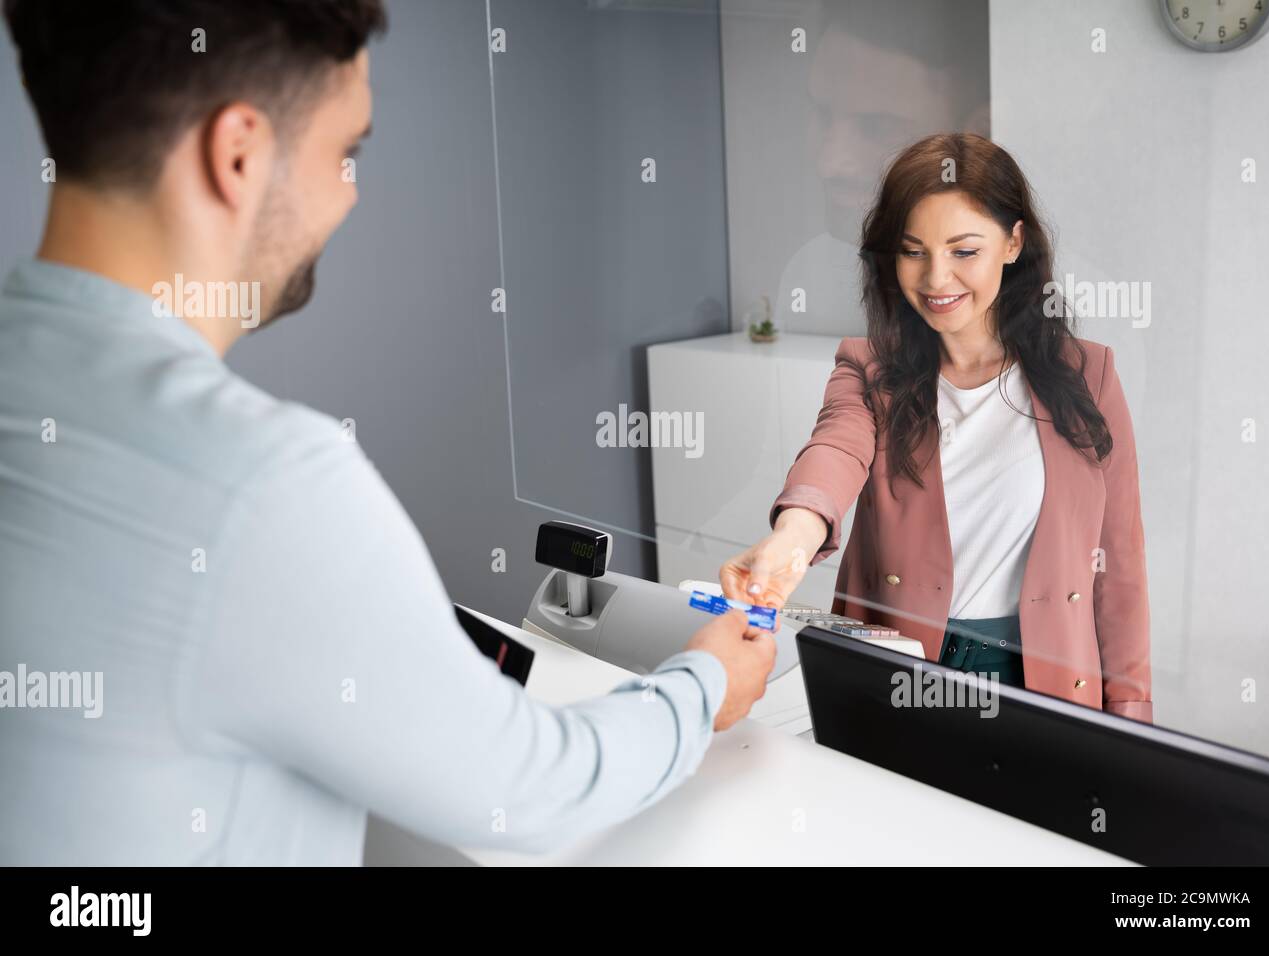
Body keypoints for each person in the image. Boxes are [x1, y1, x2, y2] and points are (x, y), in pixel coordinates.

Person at [0, 0, 775, 865]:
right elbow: (532, 792)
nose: (349, 192)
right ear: (241, 155)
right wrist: (705, 684)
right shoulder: (261, 485)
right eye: (346, 152)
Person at [722, 133, 1153, 723]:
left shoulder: (1089, 375)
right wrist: (792, 540)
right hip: (902, 664)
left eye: (963, 251)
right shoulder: (869, 367)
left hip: (1039, 675)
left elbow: (1119, 564)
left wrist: (1131, 718)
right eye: (913, 251)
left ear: (1013, 242)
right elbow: (835, 449)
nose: (935, 278)